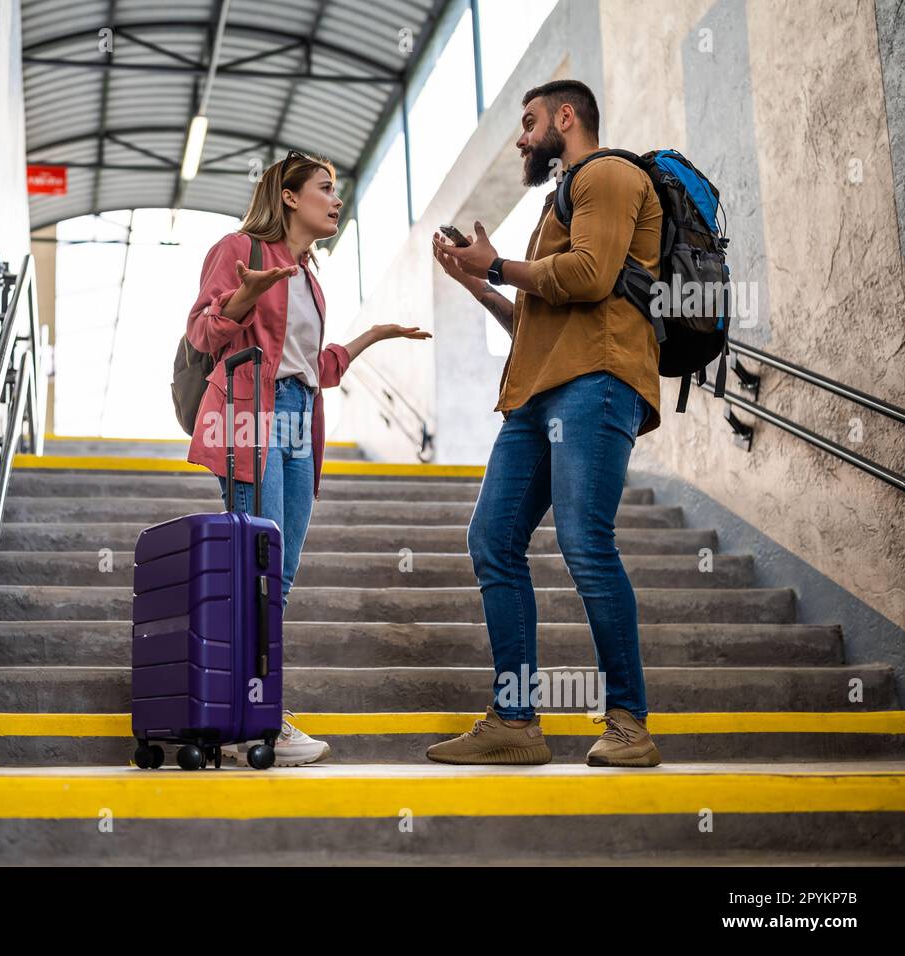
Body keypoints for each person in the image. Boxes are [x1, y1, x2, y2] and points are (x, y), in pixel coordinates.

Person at [427, 79, 664, 768]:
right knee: (492, 539)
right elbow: (535, 321)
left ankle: (628, 722)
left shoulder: (611, 175)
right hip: (538, 395)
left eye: (529, 122)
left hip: (597, 382)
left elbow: (590, 277)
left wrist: (498, 263)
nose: (523, 137)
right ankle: (516, 720)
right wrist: (481, 284)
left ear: (568, 116)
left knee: (584, 540)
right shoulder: (557, 201)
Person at [185, 149, 430, 766]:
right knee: (254, 568)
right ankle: (253, 720)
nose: (336, 198)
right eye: (326, 187)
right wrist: (243, 298)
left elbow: (311, 369)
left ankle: (252, 710)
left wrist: (371, 336)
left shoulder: (310, 278)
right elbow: (203, 335)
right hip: (249, 412)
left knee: (281, 574)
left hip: (296, 418)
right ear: (290, 197)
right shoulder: (239, 249)